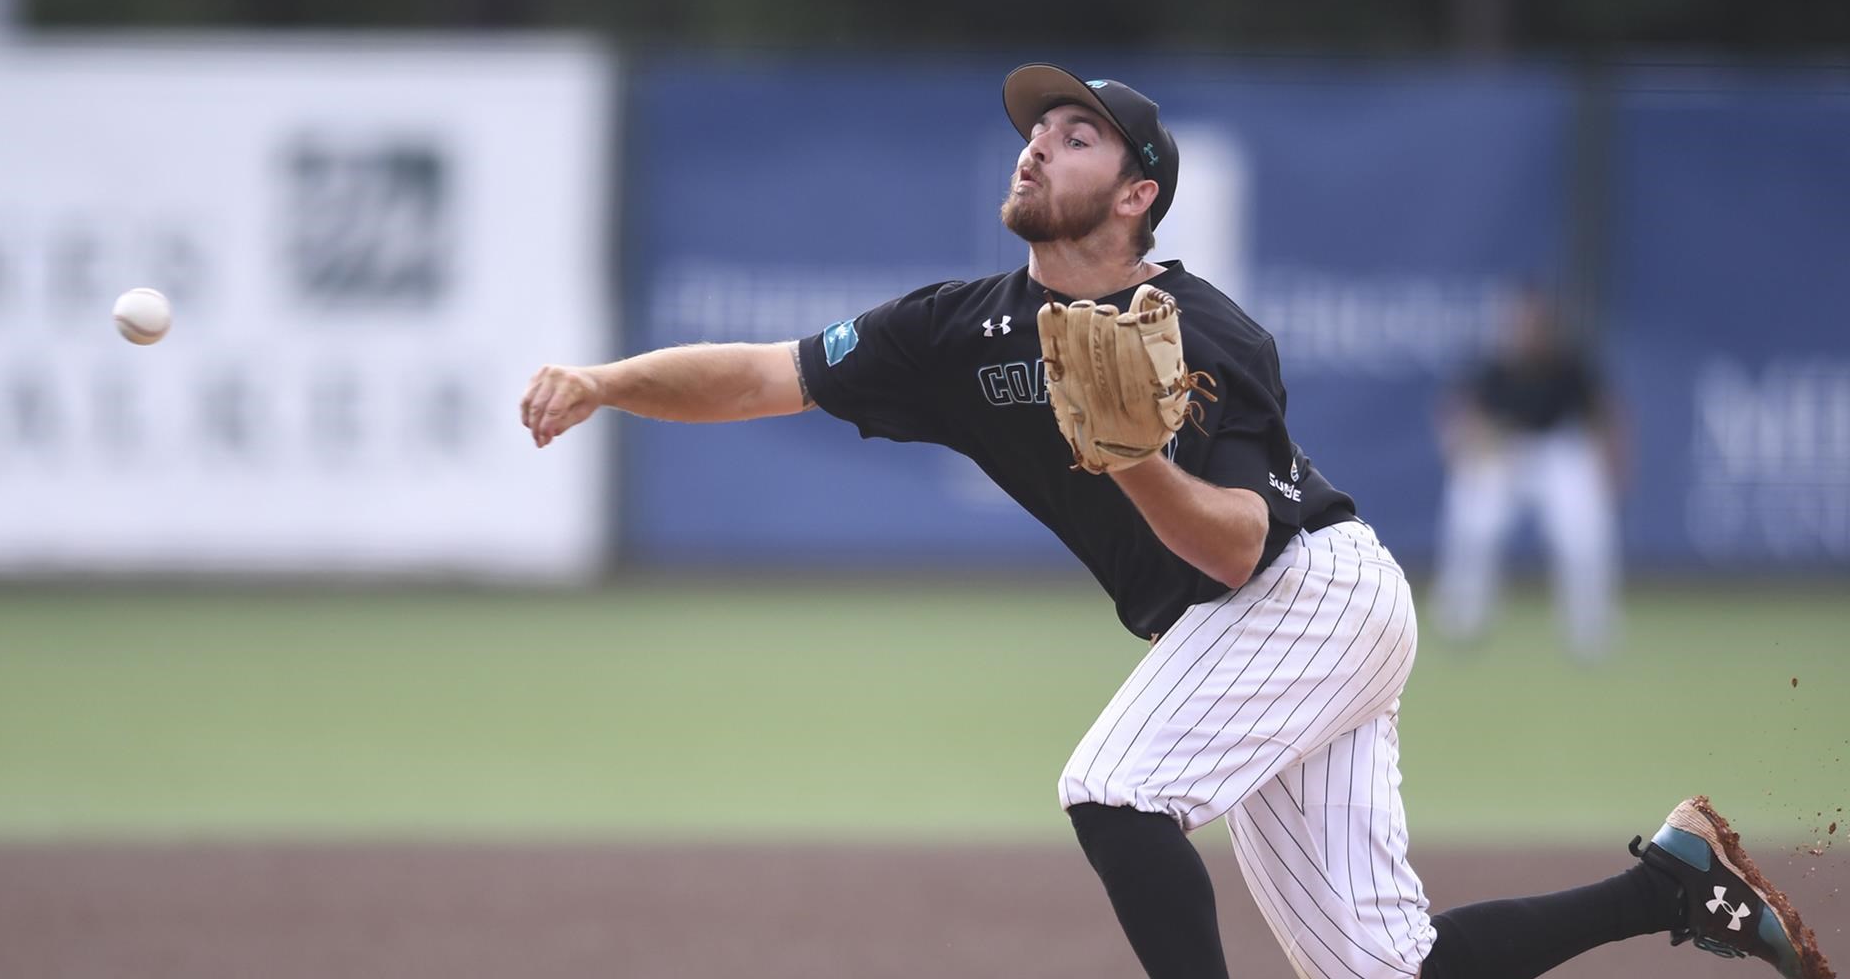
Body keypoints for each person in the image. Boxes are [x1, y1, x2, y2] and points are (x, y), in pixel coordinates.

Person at [518, 64, 1833, 979]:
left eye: (1075, 133)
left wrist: (1137, 456)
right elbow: (769, 371)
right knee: (1397, 970)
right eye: (1035, 128)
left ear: (1137, 190)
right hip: (1253, 626)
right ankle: (1673, 883)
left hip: (1311, 591)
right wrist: (602, 382)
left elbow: (1236, 547)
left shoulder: (1205, 334)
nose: (1036, 141)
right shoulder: (957, 328)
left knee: (1111, 786)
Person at [1431, 283, 1625, 661]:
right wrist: (1467, 446)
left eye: (1536, 321)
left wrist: (1612, 462)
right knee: (1473, 517)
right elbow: (1461, 416)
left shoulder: (1569, 364)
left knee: (1583, 532)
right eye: (1522, 320)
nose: (1528, 329)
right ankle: (1462, 621)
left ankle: (1591, 631)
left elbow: (1603, 414)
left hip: (1558, 451)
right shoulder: (1495, 364)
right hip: (1506, 449)